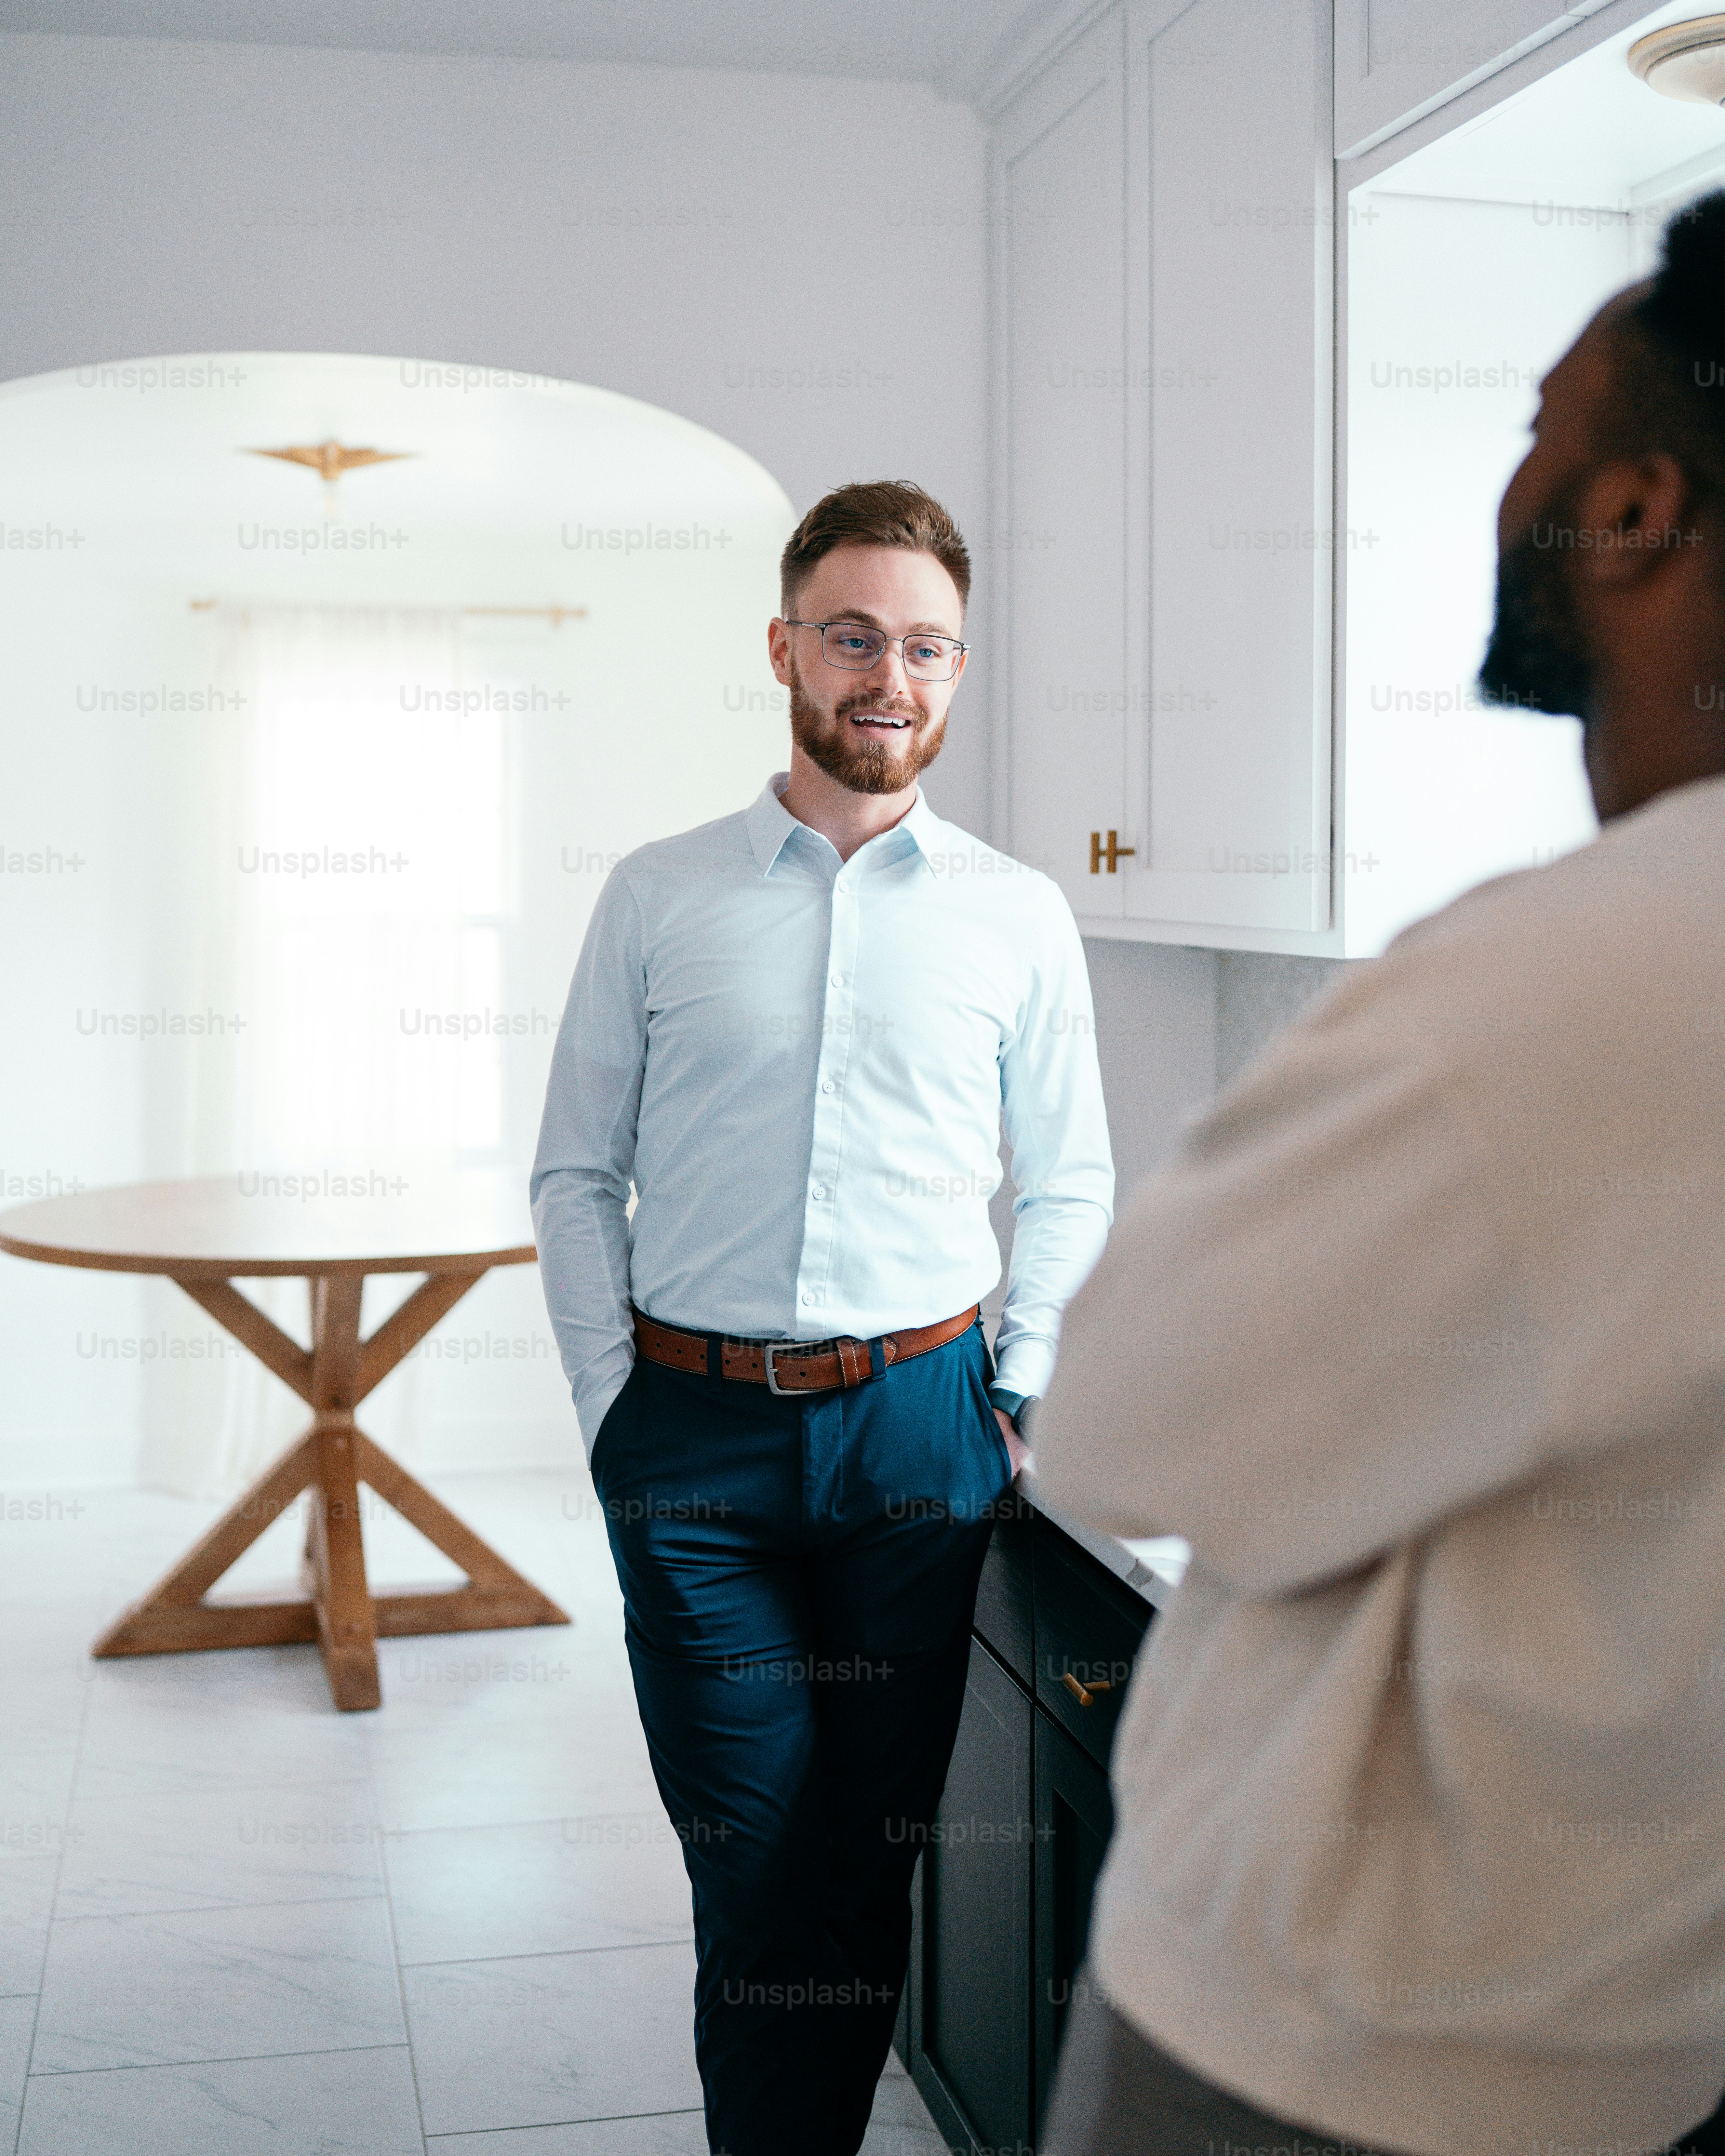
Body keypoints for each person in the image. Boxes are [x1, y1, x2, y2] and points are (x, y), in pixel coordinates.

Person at [1036, 193, 1725, 2156]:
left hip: (1337, 2053)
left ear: (1629, 511)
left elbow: (1114, 1423)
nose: (1505, 480)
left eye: (1537, 427)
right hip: (1640, 2028)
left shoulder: (1564, 979)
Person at [530, 480, 1113, 2156]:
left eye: (928, 646)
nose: (891, 677)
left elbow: (1071, 1179)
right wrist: (609, 1414)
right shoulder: (657, 894)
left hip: (921, 1442)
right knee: (757, 1849)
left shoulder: (1017, 912)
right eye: (855, 637)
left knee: (862, 1864)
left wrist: (1019, 1381)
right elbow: (577, 1179)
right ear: (786, 648)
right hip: (694, 1450)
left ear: (956, 668)